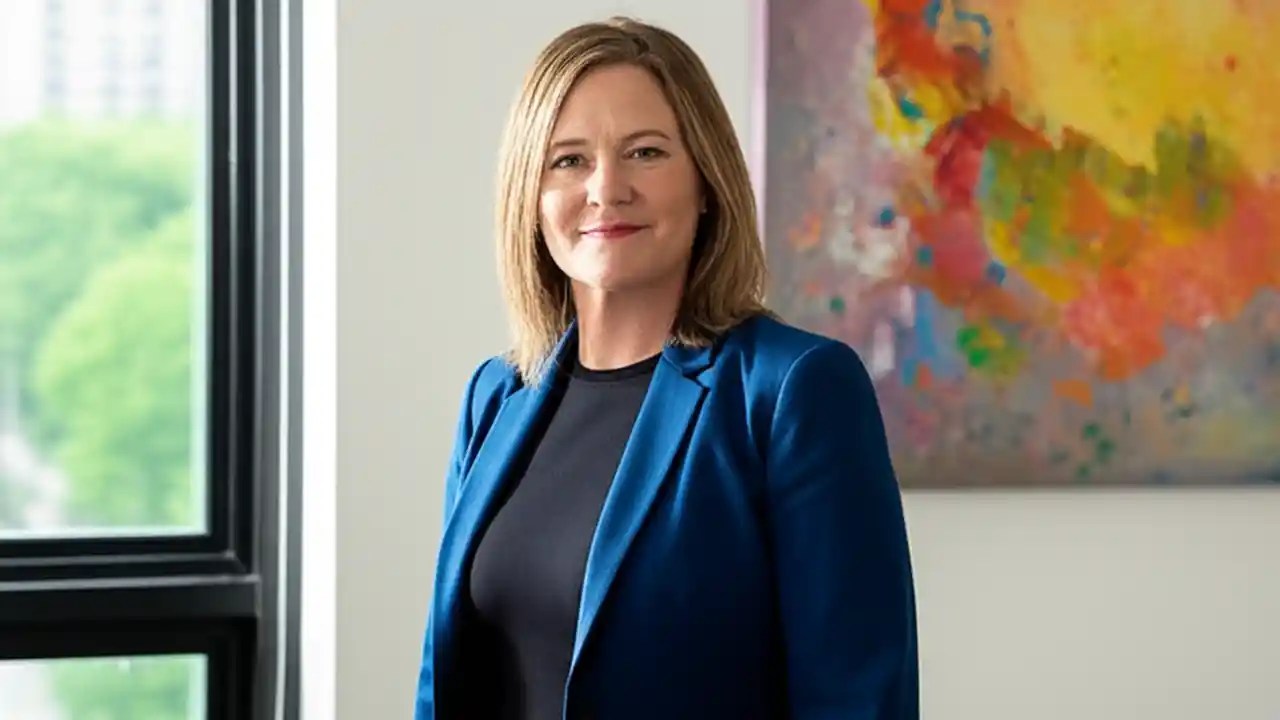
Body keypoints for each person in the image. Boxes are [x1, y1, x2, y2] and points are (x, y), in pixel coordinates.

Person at [414, 16, 918, 720]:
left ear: (706, 181)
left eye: (646, 152)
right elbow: (445, 683)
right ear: (530, 196)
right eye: (568, 160)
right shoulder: (496, 397)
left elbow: (857, 699)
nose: (606, 188)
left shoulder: (795, 391)